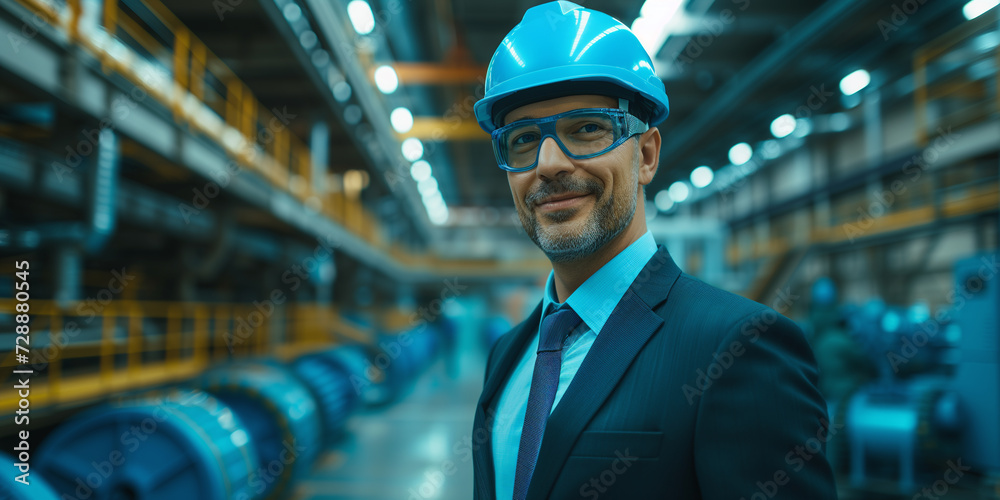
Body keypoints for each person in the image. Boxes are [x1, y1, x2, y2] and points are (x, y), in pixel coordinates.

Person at [470, 2, 838, 499]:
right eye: (523, 138)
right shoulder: (508, 355)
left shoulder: (737, 349)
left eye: (586, 128)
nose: (549, 163)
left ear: (645, 154)